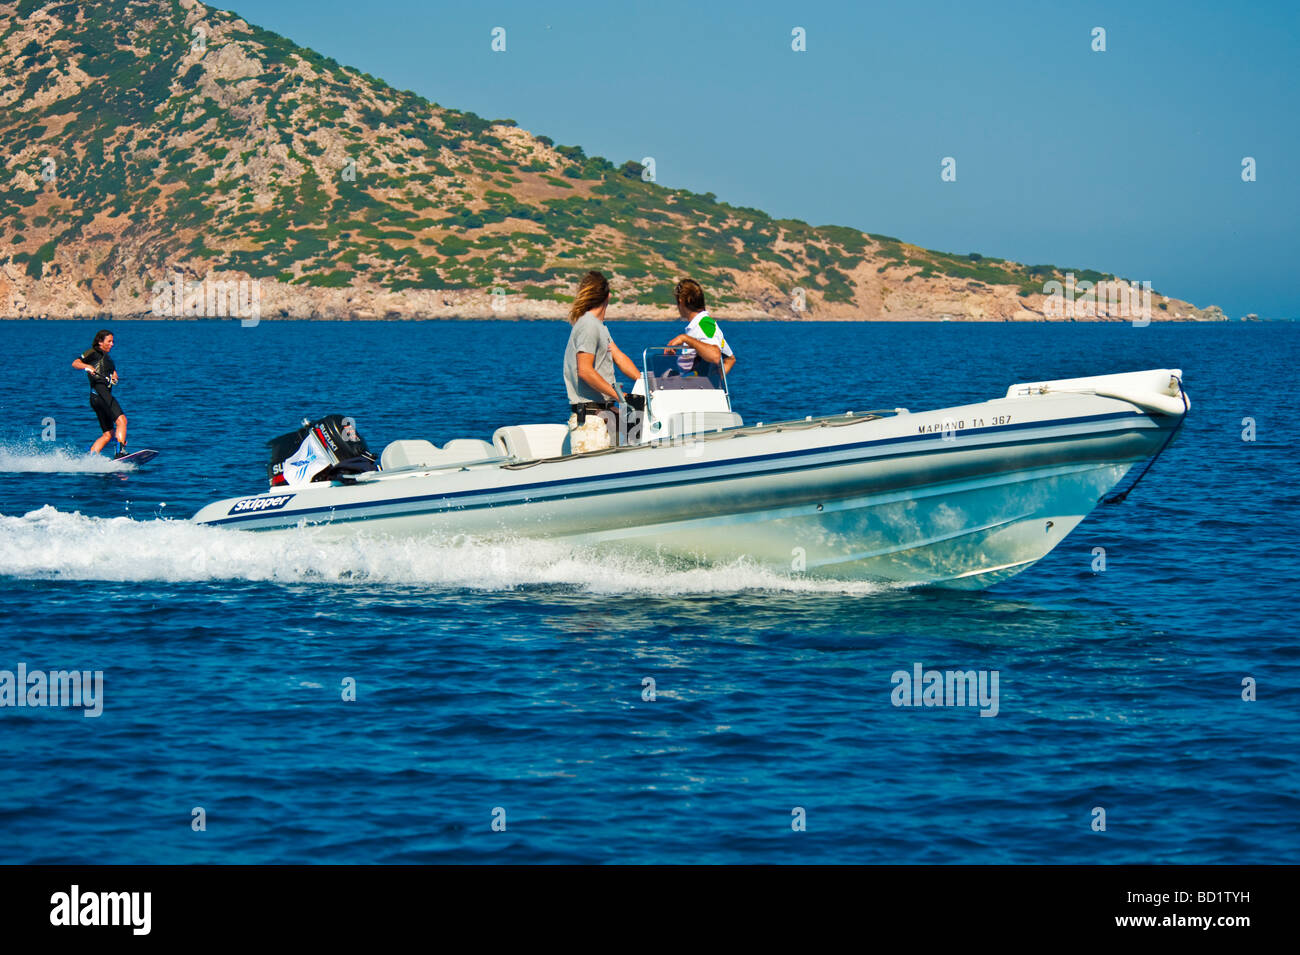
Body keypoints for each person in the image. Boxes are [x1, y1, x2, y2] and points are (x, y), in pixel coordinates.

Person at [562, 270, 644, 452]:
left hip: (605, 416)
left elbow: (618, 356)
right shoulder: (588, 325)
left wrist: (643, 382)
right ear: (609, 296)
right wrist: (620, 398)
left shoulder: (600, 328)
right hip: (591, 422)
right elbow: (584, 370)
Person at [71, 329, 128, 457]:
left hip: (95, 397)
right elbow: (75, 363)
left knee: (108, 434)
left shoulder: (109, 359)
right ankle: (120, 452)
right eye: (109, 341)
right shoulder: (94, 352)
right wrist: (88, 367)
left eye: (113, 341)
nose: (112, 344)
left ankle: (91, 457)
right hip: (101, 393)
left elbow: (114, 374)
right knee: (122, 421)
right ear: (100, 342)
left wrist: (114, 377)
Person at [665, 278, 736, 377]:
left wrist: (685, 339)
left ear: (681, 301)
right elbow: (730, 359)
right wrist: (714, 383)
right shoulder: (700, 324)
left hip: (695, 390)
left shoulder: (704, 324)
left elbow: (715, 355)